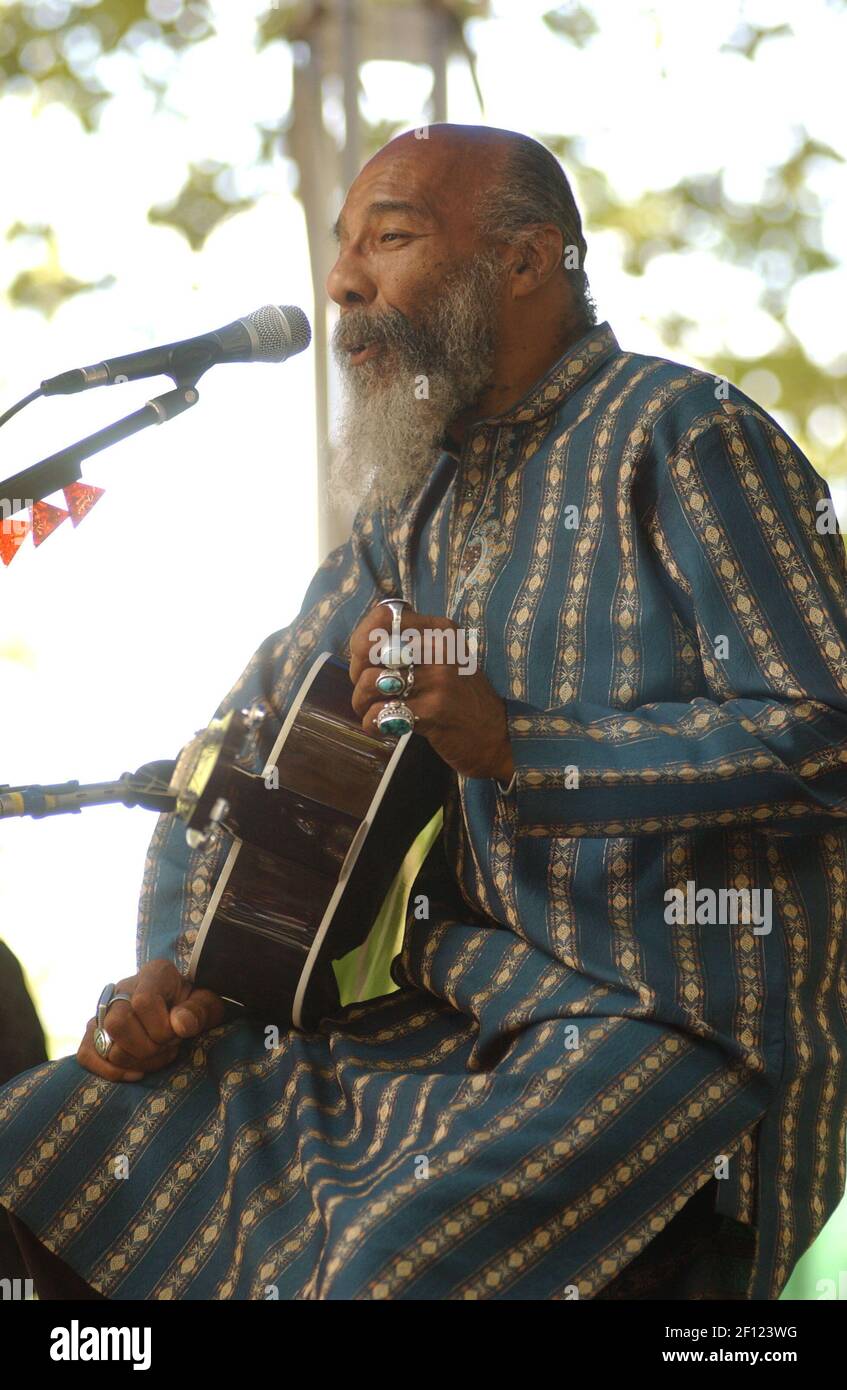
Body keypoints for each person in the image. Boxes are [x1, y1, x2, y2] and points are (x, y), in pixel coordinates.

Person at [1, 123, 846, 1301]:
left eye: (389, 238)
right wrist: (173, 970)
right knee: (45, 1143)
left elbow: (825, 723)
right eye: (342, 249)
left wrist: (523, 748)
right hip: (445, 1011)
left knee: (390, 1271)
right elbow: (237, 752)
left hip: (665, 1024)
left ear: (526, 259)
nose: (344, 278)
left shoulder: (683, 434)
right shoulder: (412, 501)